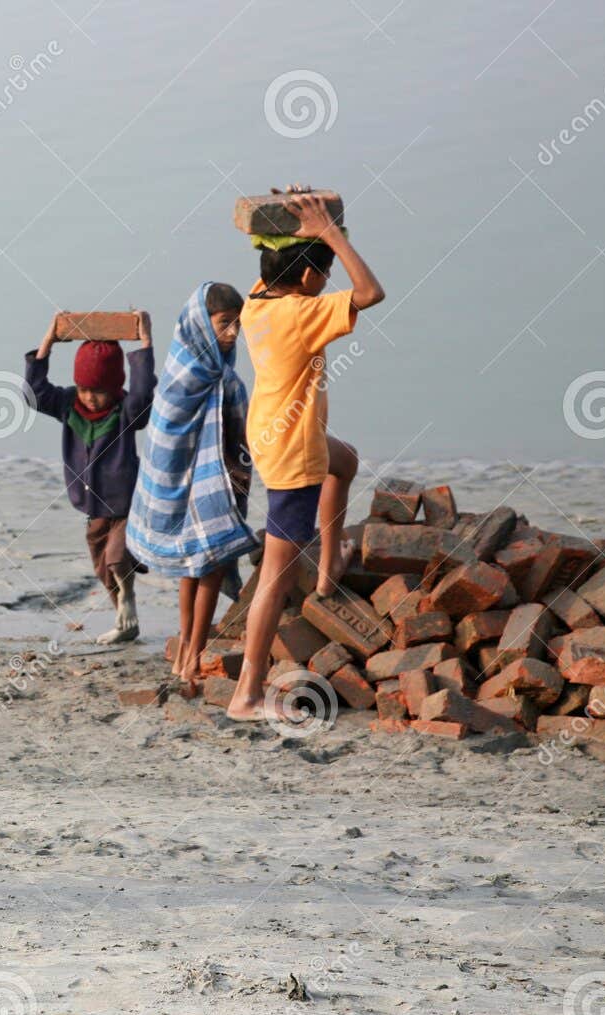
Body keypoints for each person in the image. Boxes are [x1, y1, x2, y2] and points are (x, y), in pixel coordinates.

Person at [227, 187, 385, 723]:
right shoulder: (300, 314)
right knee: (275, 574)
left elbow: (273, 254)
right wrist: (333, 234)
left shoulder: (258, 300)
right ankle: (246, 694)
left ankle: (328, 570)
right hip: (293, 454)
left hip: (276, 430)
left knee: (346, 461)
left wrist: (293, 217)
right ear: (311, 279)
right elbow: (370, 291)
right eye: (322, 271)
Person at [126, 282, 257, 689]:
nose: (232, 333)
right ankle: (192, 654)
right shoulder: (204, 380)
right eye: (224, 324)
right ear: (201, 323)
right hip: (193, 494)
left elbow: (240, 440)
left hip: (217, 490)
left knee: (199, 571)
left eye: (238, 324)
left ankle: (187, 651)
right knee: (204, 572)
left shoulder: (187, 375)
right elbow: (164, 444)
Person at [22, 311, 156, 644]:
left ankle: (127, 601)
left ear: (114, 388)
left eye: (98, 390)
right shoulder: (68, 405)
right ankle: (126, 619)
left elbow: (141, 393)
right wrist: (49, 340)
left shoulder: (125, 411)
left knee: (116, 557)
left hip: (127, 504)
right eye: (84, 388)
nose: (90, 396)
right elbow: (33, 393)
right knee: (102, 568)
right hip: (93, 508)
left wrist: (145, 341)